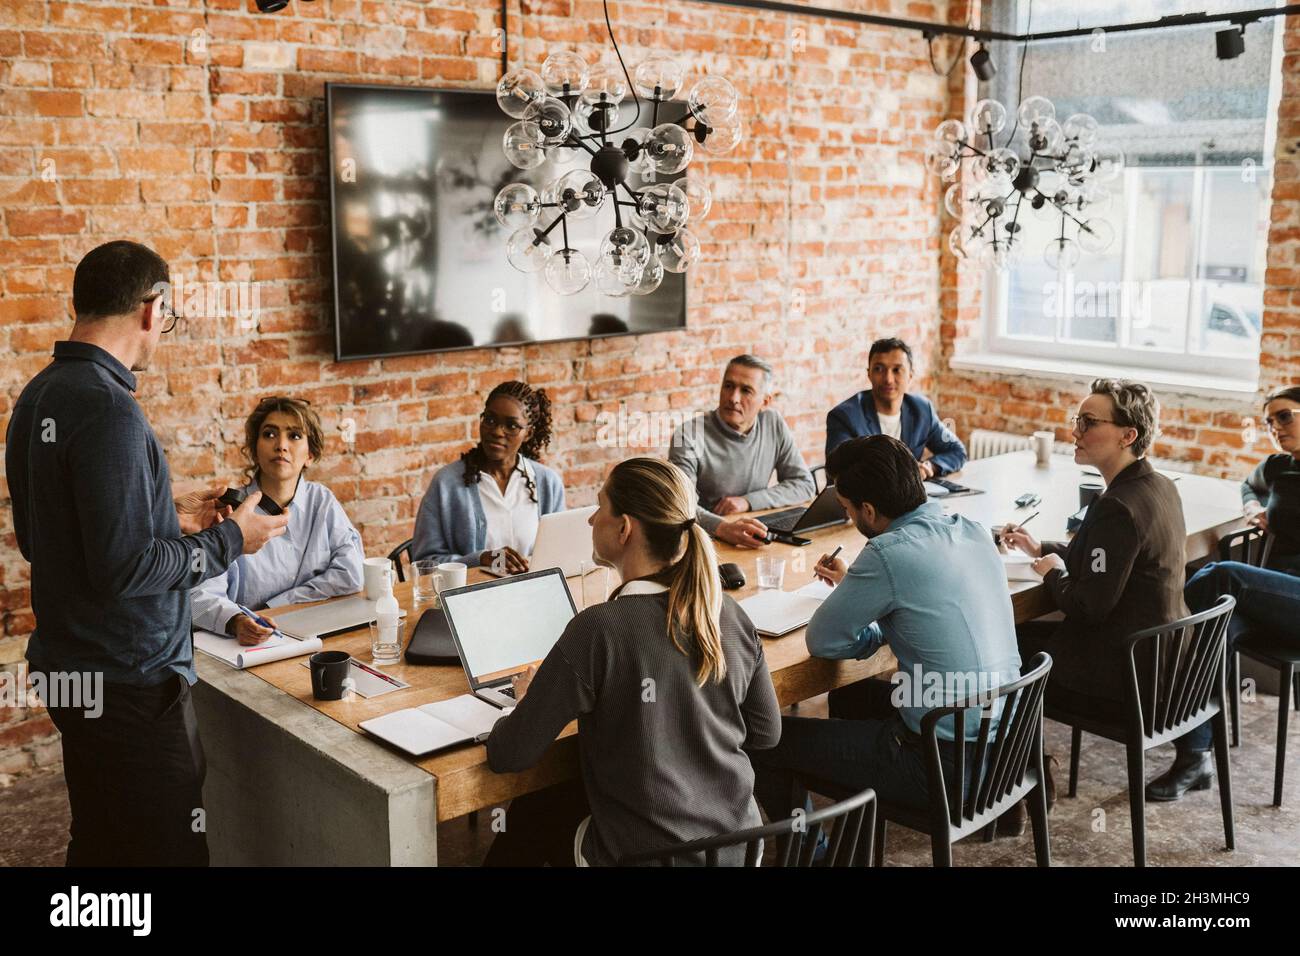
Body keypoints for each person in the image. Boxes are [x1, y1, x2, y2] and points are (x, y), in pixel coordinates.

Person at [5, 240, 289, 866]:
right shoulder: (110, 412)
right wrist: (230, 538)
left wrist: (172, 517)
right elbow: (126, 569)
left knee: (104, 843)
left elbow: (49, 538)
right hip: (130, 685)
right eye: (170, 315)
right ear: (150, 309)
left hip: (75, 670)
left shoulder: (41, 398)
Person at [483, 457, 781, 866]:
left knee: (533, 815)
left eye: (600, 506)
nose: (591, 520)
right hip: (738, 851)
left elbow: (508, 754)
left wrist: (528, 699)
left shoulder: (598, 629)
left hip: (648, 858)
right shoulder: (728, 612)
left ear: (624, 528)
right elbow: (766, 733)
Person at [748, 435, 1021, 820]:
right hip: (1007, 748)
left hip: (939, 769)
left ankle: (815, 855)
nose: (850, 519)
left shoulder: (886, 552)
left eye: (847, 510)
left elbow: (823, 640)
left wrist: (876, 633)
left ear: (870, 510)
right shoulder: (973, 531)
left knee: (766, 741)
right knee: (849, 698)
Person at [1147, 385, 1300, 800]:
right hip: (1277, 600)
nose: (1275, 428)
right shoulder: (1279, 467)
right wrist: (1253, 508)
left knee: (1225, 576)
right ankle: (1195, 758)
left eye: (1284, 416)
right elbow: (1248, 486)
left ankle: (1160, 635)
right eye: (1269, 421)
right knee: (1215, 626)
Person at [1004, 379, 1187, 718]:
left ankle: (1014, 766)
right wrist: (1039, 547)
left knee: (1002, 649)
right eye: (1077, 420)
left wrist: (1054, 571)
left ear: (1127, 436)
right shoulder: (1159, 486)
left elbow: (1089, 607)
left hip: (1125, 680)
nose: (1075, 432)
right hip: (1164, 663)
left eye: (1088, 422)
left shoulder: (1118, 506)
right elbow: (1112, 557)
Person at [191, 397, 364, 644]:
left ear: (310, 455)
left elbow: (351, 574)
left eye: (294, 436)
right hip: (248, 642)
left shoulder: (322, 501)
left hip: (317, 631)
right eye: (270, 434)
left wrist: (278, 605)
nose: (281, 445)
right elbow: (197, 598)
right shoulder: (227, 507)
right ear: (254, 449)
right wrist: (236, 621)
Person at [412, 380, 565, 573]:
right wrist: (481, 559)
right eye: (490, 420)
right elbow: (425, 565)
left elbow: (560, 554)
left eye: (511, 425)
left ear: (528, 433)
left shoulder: (547, 483)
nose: (497, 432)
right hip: (470, 598)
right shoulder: (446, 484)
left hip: (534, 593)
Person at [668, 354, 815, 550]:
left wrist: (747, 501)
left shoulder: (773, 423)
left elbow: (804, 485)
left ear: (765, 401)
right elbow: (681, 505)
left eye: (746, 390)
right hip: (705, 543)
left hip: (756, 537)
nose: (733, 398)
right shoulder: (688, 435)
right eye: (728, 386)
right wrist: (723, 528)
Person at [825, 337, 967, 477]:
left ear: (910, 375)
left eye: (897, 370)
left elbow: (956, 451)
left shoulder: (922, 410)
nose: (888, 379)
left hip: (910, 498)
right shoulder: (845, 416)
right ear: (869, 373)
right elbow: (838, 471)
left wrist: (928, 467)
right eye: (879, 369)